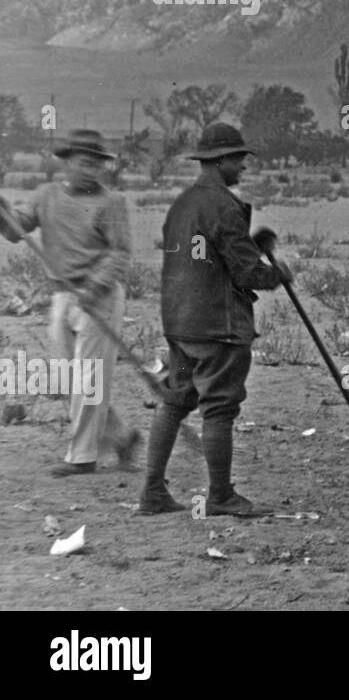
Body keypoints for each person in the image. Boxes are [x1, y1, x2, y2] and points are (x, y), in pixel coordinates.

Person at [137, 123, 291, 517]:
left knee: (174, 401)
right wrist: (277, 273)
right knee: (219, 407)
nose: (243, 166)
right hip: (216, 325)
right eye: (238, 158)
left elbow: (204, 255)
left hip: (180, 321)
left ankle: (152, 492)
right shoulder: (223, 205)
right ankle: (220, 495)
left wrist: (252, 245)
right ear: (220, 161)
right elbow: (244, 273)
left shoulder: (183, 203)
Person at [0, 130, 138, 477]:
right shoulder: (46, 195)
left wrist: (95, 286)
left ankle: (81, 457)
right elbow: (17, 230)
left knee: (87, 379)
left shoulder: (111, 202)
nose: (89, 170)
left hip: (99, 297)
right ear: (67, 163)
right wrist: (3, 212)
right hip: (62, 294)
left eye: (96, 165)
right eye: (83, 163)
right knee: (72, 379)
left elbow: (121, 253)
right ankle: (122, 437)